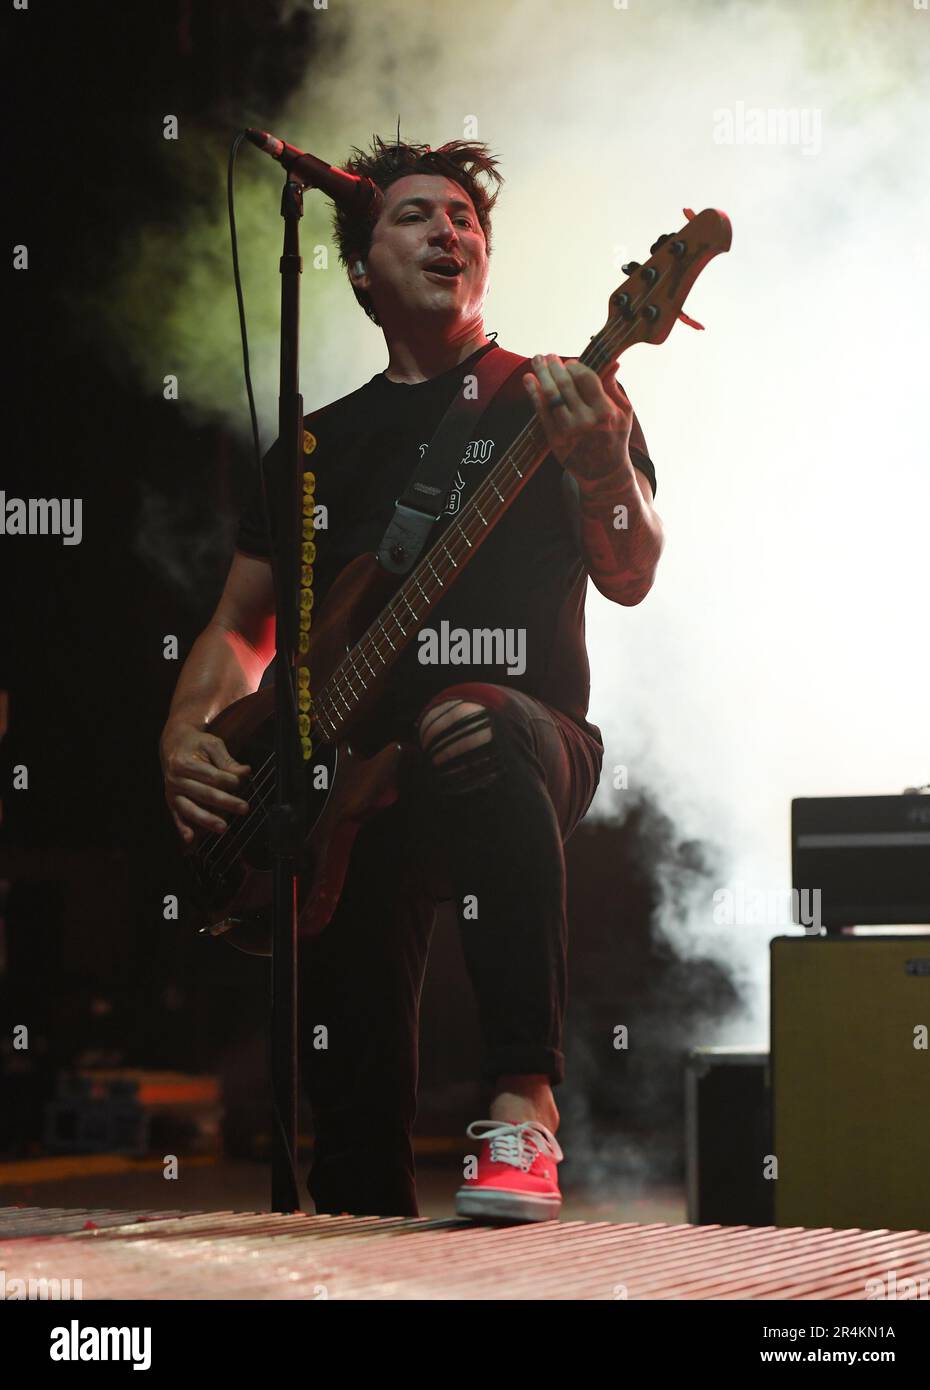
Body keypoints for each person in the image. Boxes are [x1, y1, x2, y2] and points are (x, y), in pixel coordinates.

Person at [159, 136, 664, 1222]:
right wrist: (187, 735)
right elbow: (237, 627)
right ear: (357, 267)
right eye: (414, 216)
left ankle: (524, 1104)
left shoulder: (553, 396)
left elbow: (631, 571)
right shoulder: (314, 449)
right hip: (345, 783)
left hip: (521, 743)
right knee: (350, 1156)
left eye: (465, 220)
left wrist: (603, 466)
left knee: (463, 720)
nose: (449, 230)